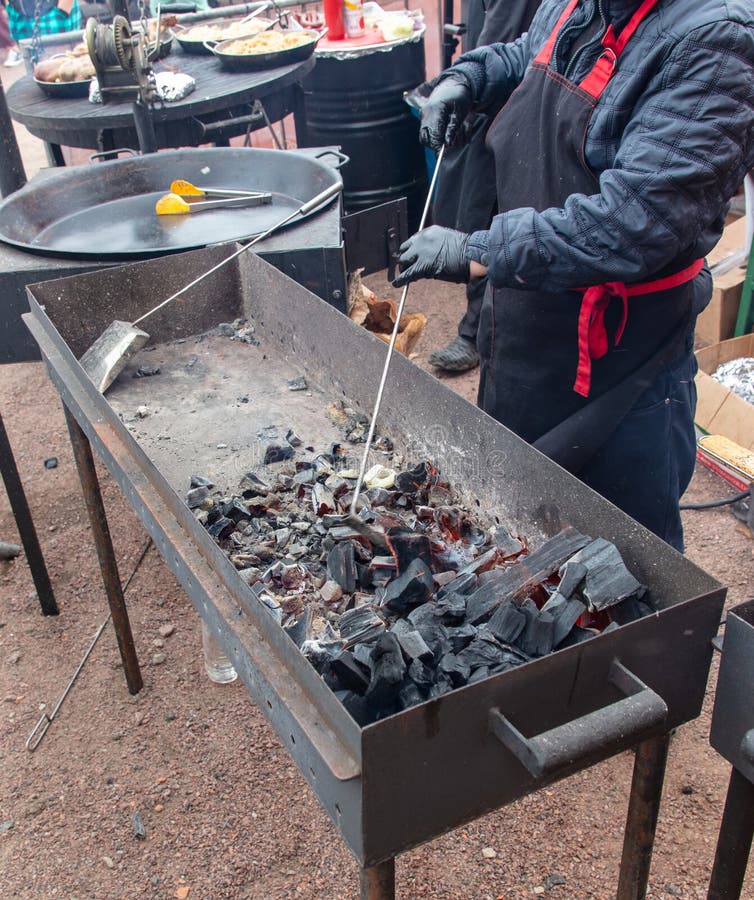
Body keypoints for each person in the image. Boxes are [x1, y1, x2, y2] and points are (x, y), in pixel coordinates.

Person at [394, 0, 754, 551]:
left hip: (620, 356)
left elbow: (637, 219)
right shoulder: (584, 4)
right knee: (513, 524)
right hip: (523, 327)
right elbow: (529, 56)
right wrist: (469, 79)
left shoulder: (716, 42)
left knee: (622, 560)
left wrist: (478, 250)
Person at [428, 0, 541, 373]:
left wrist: (473, 95)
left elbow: (509, 38)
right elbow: (516, 49)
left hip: (508, 112)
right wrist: (463, 77)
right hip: (489, 93)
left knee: (489, 216)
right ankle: (482, 330)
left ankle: (480, 332)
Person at [5, 0, 82, 58]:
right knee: (35, 67)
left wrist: (62, 10)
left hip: (55, 12)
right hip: (19, 13)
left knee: (65, 62)